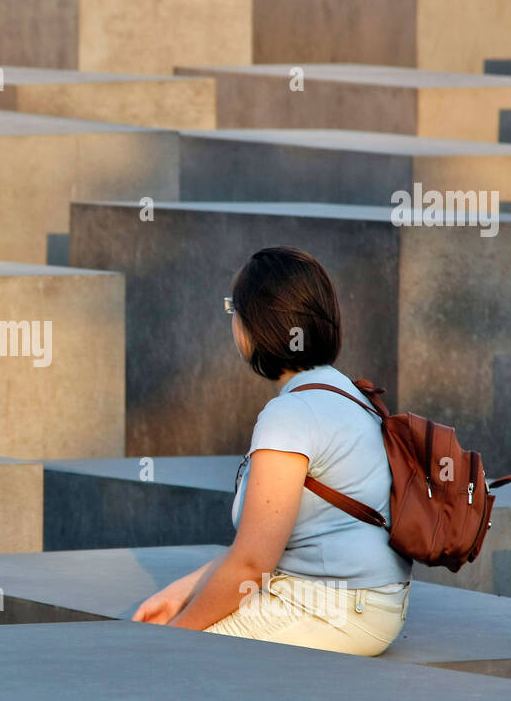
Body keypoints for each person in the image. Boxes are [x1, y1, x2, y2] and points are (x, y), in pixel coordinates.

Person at [133, 246, 409, 655]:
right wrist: (184, 591)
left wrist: (175, 636)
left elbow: (252, 563)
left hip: (333, 610)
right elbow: (263, 547)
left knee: (155, 662)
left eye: (235, 310)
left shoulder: (290, 415)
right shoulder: (351, 394)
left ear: (256, 324)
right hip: (367, 604)